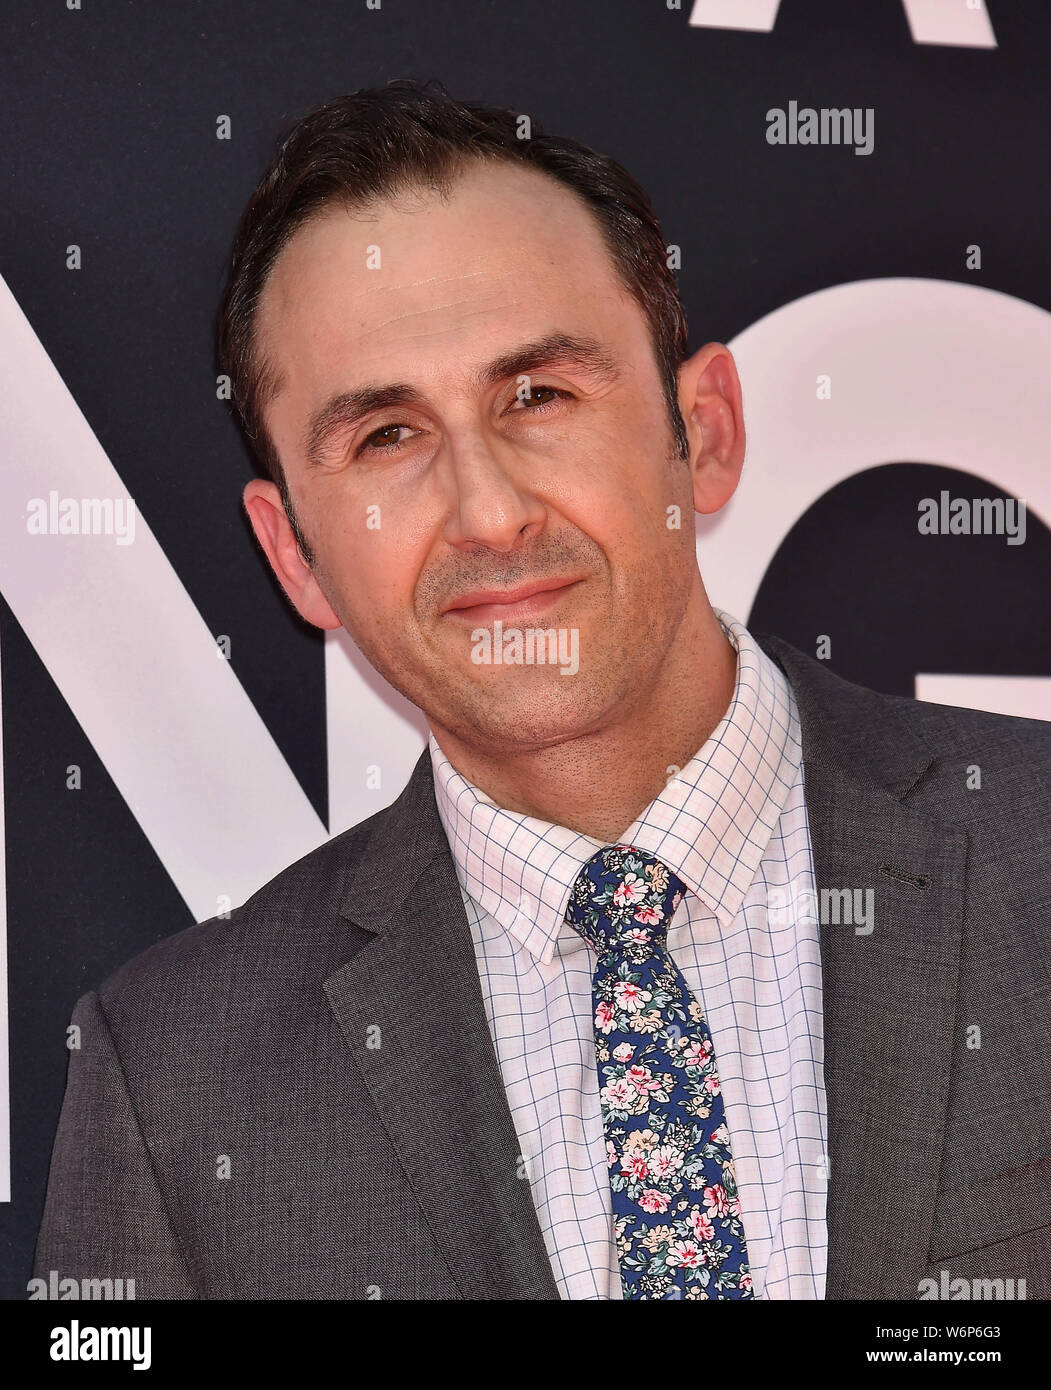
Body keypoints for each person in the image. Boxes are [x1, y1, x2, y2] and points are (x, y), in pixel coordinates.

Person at [33, 79, 1051, 1301]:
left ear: (704, 429)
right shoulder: (175, 1083)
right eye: (386, 437)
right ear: (294, 552)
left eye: (538, 395)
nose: (490, 511)